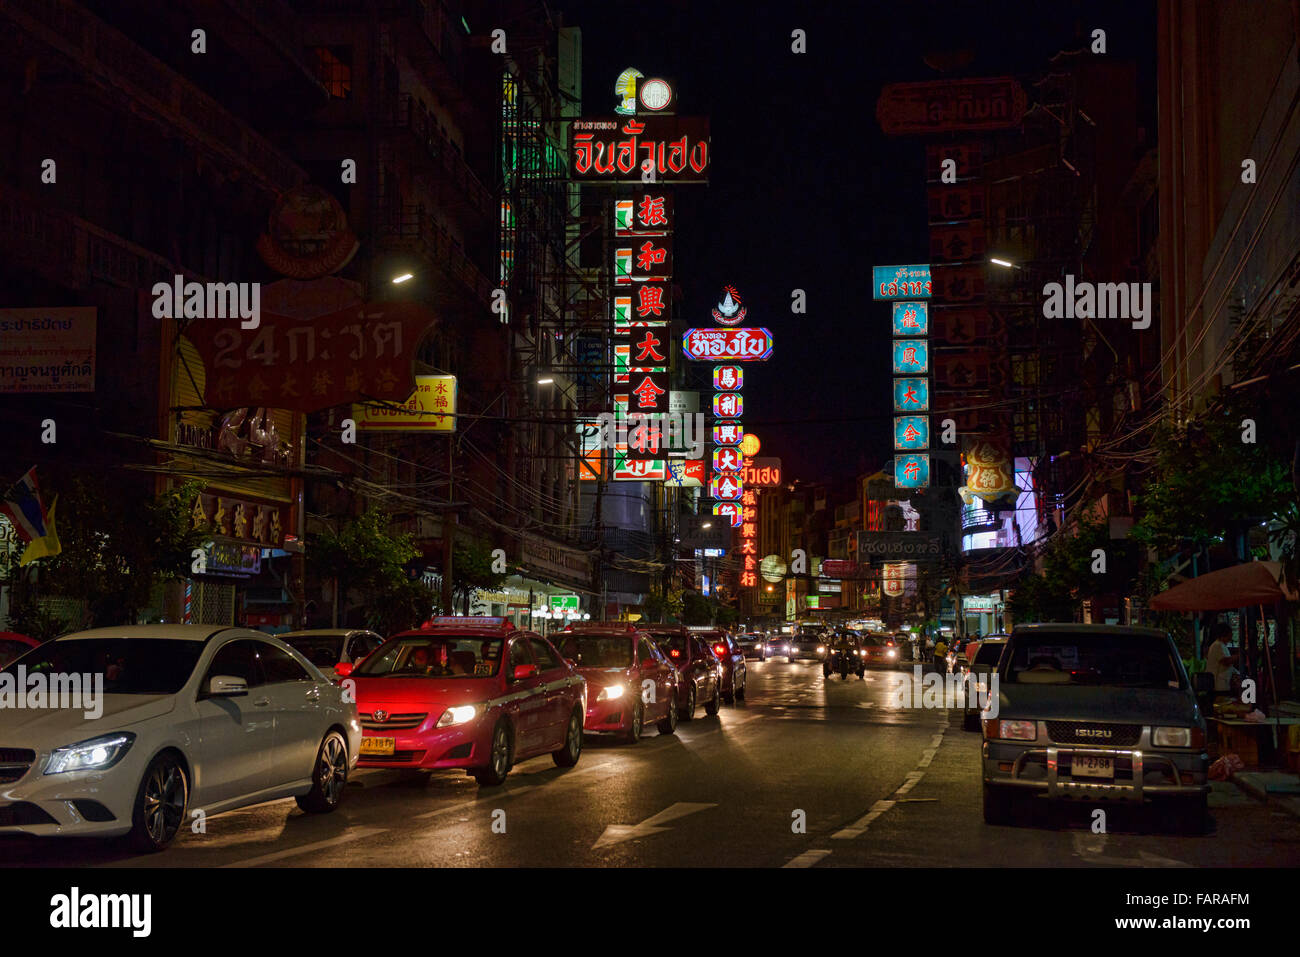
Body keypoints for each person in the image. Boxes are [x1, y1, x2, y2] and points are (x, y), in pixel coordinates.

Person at [1204, 623, 1239, 695]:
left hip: (1221, 684)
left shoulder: (1221, 645)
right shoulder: (1218, 645)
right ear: (1225, 634)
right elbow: (1225, 661)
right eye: (1230, 633)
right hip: (1218, 686)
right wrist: (1239, 656)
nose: (1231, 636)